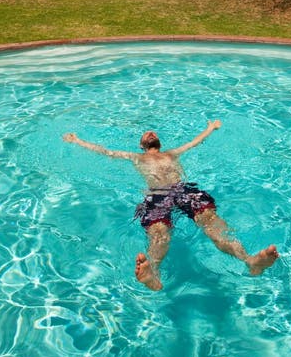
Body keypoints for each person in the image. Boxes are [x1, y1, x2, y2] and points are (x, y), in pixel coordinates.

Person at [63, 120, 279, 291]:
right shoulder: (135, 157)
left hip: (182, 190)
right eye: (146, 134)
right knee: (159, 233)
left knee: (212, 223)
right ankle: (153, 274)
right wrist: (78, 141)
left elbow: (194, 142)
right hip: (157, 195)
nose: (151, 133)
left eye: (153, 133)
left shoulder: (172, 153)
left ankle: (249, 260)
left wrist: (210, 129)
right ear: (141, 144)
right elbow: (105, 151)